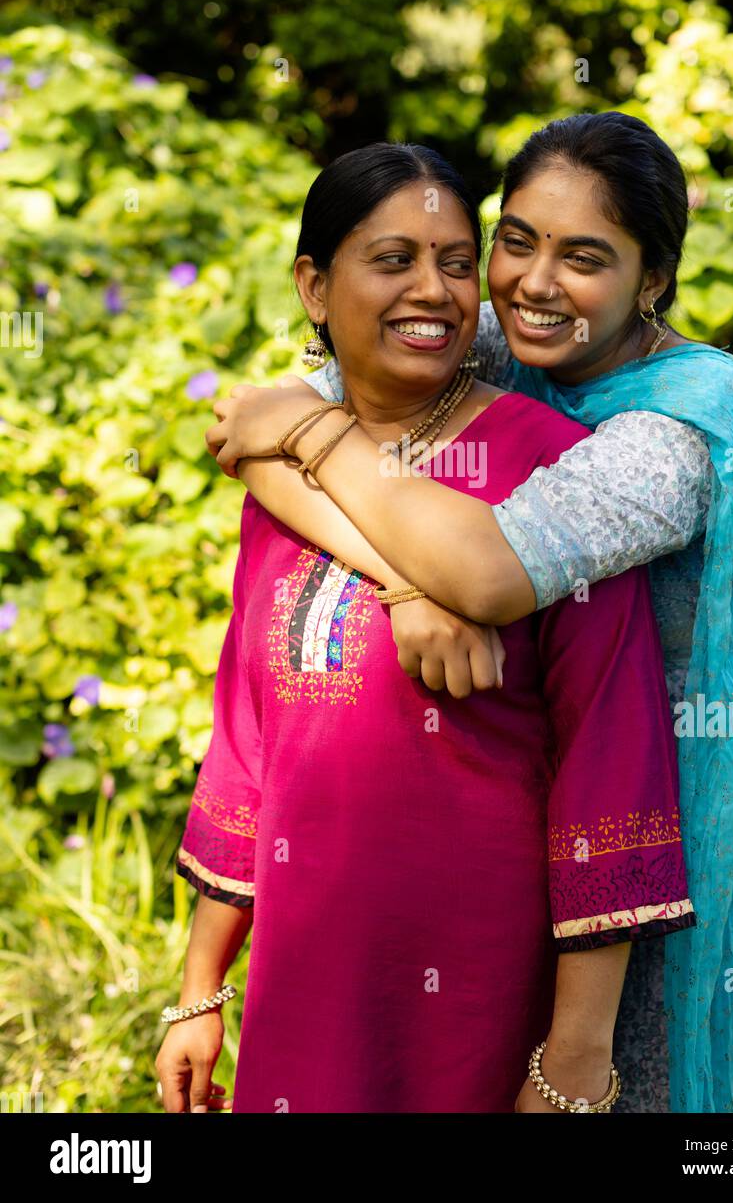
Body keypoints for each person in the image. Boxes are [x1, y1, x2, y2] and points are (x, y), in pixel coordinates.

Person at [211, 113, 733, 1115]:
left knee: (695, 1084)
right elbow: (255, 431)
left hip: (718, 773)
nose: (534, 280)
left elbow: (487, 572)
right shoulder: (500, 340)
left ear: (652, 281)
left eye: (585, 257)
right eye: (516, 239)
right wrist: (398, 576)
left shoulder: (676, 428)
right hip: (572, 756)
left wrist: (313, 435)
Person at [158, 141, 694, 1115]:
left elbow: (612, 765)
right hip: (304, 964)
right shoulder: (290, 468)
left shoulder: (550, 469)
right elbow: (248, 739)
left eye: (456, 261)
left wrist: (573, 1057)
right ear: (314, 286)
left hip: (478, 985)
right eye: (393, 259)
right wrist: (199, 991)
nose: (436, 291)